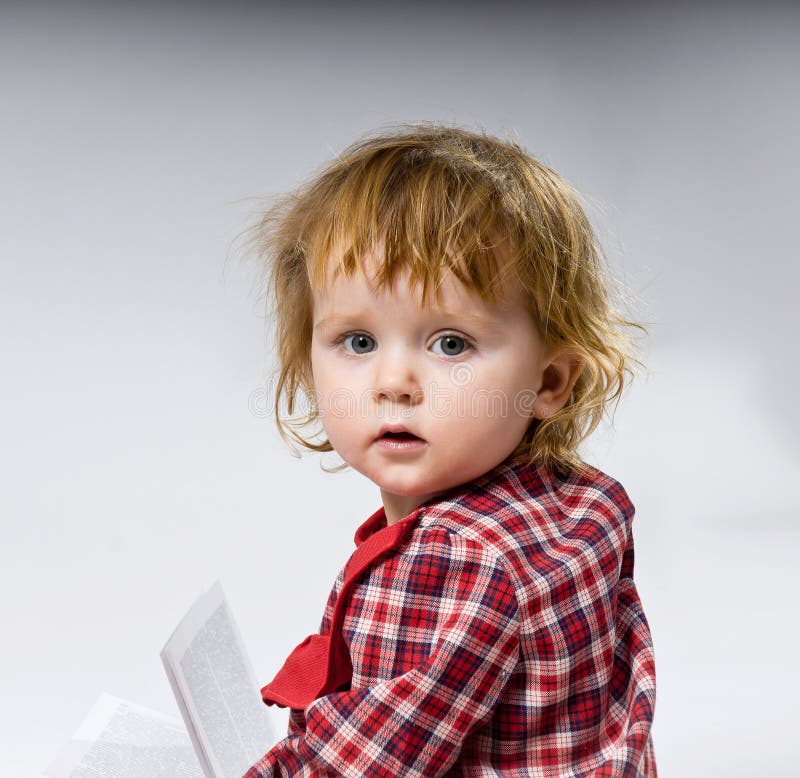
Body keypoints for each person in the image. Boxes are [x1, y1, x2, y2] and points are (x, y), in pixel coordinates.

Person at [242, 123, 657, 776]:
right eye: (357, 341)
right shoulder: (578, 503)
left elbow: (370, 766)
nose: (394, 384)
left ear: (549, 380)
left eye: (451, 344)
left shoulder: (457, 558)